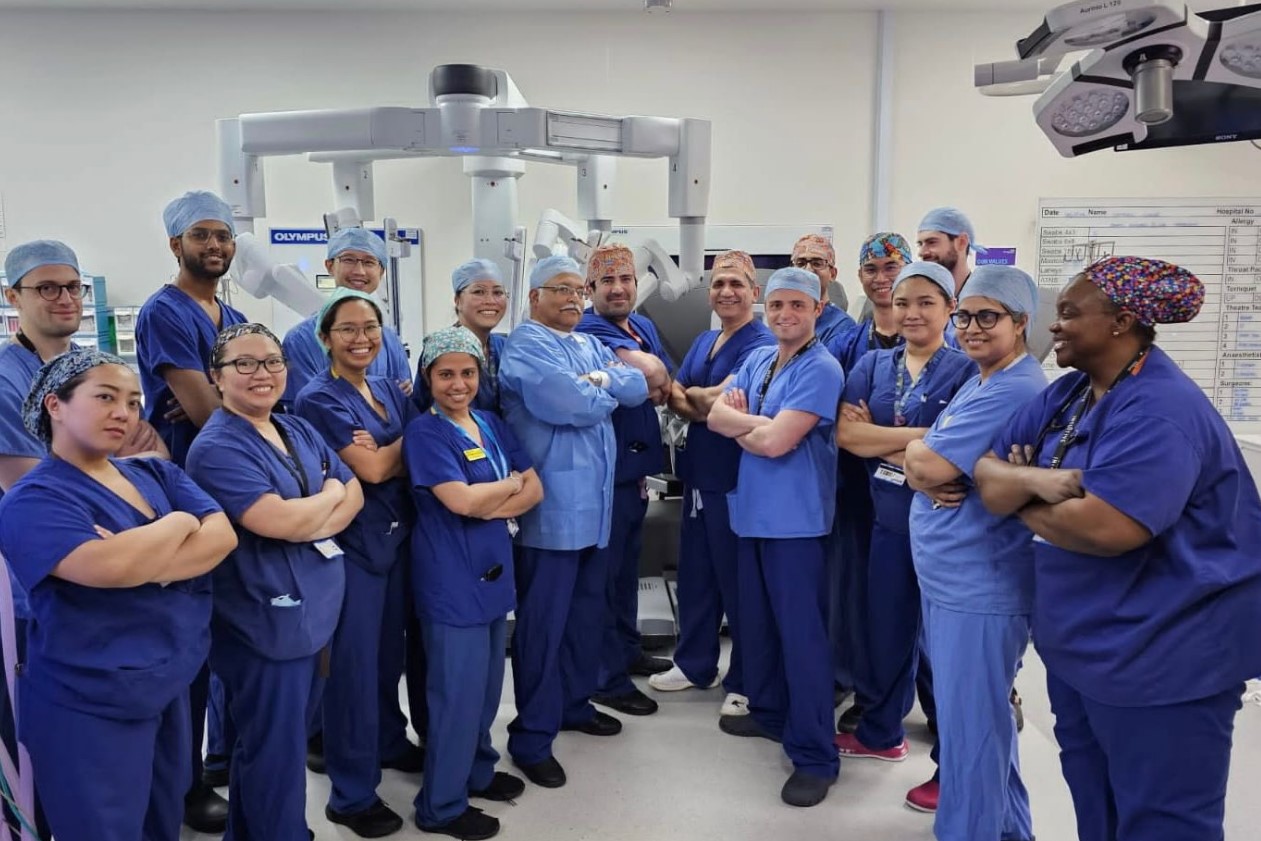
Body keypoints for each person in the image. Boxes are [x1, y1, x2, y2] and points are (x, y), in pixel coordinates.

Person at [977, 256, 1261, 841]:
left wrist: (1021, 497)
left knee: (1163, 823)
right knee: (1097, 806)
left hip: (1165, 660)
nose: (1054, 325)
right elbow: (986, 474)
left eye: (1069, 313)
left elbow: (1109, 529)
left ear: (1121, 322)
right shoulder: (1071, 394)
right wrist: (1040, 484)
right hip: (1084, 649)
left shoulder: (1161, 410)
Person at [0, 349, 237, 841]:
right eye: (105, 397)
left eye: (132, 402)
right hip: (90, 703)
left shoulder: (155, 473)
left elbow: (223, 537)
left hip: (167, 681)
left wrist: (143, 560)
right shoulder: (34, 498)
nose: (123, 413)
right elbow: (107, 567)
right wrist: (178, 522)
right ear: (54, 405)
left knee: (161, 822)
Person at [0, 241, 167, 840]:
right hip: (38, 587)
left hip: (120, 584)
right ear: (13, 296)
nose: (65, 298)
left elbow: (156, 460)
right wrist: (124, 477)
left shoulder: (97, 366)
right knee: (55, 759)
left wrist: (116, 472)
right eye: (47, 287)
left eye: (73, 287)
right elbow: (34, 487)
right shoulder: (5, 377)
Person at [186, 323, 364, 841]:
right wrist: (329, 497)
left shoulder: (295, 427)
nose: (261, 373)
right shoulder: (216, 447)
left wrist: (318, 511)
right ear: (217, 376)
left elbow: (355, 493)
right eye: (244, 363)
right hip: (262, 617)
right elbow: (276, 521)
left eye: (272, 361)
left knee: (279, 743)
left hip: (313, 607)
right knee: (273, 749)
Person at [900, 265, 1045, 839]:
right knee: (976, 725)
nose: (971, 328)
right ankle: (1007, 830)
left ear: (1021, 321)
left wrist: (923, 463)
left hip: (980, 585)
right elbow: (921, 459)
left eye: (988, 316)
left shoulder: (1016, 387)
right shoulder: (982, 378)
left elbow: (928, 463)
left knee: (972, 731)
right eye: (964, 316)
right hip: (953, 581)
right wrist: (922, 462)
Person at [498, 255, 648, 789]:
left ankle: (574, 704)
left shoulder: (587, 343)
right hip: (553, 514)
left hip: (595, 508)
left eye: (576, 290)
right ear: (534, 297)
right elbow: (568, 404)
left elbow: (637, 387)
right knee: (543, 626)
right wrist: (602, 392)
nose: (571, 298)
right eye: (558, 289)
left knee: (585, 616)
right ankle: (532, 736)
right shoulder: (526, 345)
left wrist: (601, 378)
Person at [708, 267, 844, 808]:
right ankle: (769, 712)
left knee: (802, 639)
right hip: (754, 515)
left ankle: (815, 755)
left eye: (798, 305)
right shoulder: (760, 358)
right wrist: (756, 427)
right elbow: (715, 416)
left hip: (796, 524)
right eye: (778, 304)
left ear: (818, 309)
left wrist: (748, 427)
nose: (785, 314)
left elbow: (775, 444)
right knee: (758, 625)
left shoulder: (822, 367)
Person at [834, 262, 973, 786]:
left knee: (944, 643)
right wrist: (923, 443)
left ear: (950, 308)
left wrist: (882, 437)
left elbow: (959, 447)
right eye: (902, 302)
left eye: (925, 303)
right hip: (889, 519)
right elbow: (848, 437)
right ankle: (880, 731)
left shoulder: (966, 371)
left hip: (945, 521)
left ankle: (953, 751)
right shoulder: (872, 364)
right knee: (886, 628)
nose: (911, 313)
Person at [404, 326, 543, 840]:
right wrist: (507, 487)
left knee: (485, 690)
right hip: (450, 577)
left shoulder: (489, 422)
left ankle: (478, 771)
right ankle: (440, 805)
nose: (458, 384)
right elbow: (459, 501)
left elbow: (536, 488)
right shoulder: (425, 433)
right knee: (455, 696)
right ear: (428, 378)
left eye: (467, 373)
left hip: (492, 569)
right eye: (445, 374)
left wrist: (492, 500)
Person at [293, 289, 423, 838]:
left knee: (388, 657)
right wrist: (402, 446)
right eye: (347, 329)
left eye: (370, 327)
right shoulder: (317, 399)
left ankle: (388, 741)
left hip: (395, 539)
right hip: (354, 547)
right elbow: (370, 471)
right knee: (352, 670)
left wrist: (392, 447)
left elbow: (421, 442)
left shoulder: (389, 388)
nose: (361, 338)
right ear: (325, 338)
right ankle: (351, 793)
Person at [136, 189, 246, 832]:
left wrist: (229, 398)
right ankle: (183, 787)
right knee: (191, 650)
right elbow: (208, 414)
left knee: (226, 636)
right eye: (202, 235)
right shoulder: (164, 312)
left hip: (231, 488)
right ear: (176, 244)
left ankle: (217, 757)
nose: (215, 246)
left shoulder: (231, 313)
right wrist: (229, 400)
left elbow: (250, 396)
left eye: (223, 235)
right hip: (189, 488)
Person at [653, 250, 774, 716]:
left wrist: (699, 400)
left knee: (738, 583)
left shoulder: (761, 344)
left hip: (734, 479)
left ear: (754, 292)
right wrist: (701, 401)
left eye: (736, 284)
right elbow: (678, 396)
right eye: (719, 283)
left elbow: (717, 403)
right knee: (696, 577)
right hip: (699, 477)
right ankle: (695, 663)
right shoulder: (705, 340)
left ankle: (745, 678)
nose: (726, 291)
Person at [576, 243, 674, 717]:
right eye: (607, 282)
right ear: (589, 289)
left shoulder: (643, 326)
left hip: (635, 472)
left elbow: (664, 381)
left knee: (627, 575)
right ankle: (606, 678)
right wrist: (653, 378)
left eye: (626, 280)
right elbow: (652, 372)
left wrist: (655, 380)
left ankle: (628, 650)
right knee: (605, 577)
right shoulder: (589, 330)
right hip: (605, 475)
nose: (618, 289)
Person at [824, 232, 912, 736]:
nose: (881, 278)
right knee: (855, 592)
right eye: (872, 269)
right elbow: (840, 421)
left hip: (915, 494)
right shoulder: (849, 344)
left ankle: (902, 698)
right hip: (855, 489)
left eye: (891, 267)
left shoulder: (937, 345)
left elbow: (941, 433)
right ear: (858, 276)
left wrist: (872, 433)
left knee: (904, 605)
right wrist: (869, 434)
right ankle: (857, 683)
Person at [282, 228, 412, 409]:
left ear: (381, 271)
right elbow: (311, 409)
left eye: (369, 262)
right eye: (348, 260)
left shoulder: (390, 340)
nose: (359, 271)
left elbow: (405, 405)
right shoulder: (300, 340)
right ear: (330, 266)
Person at [413, 259, 508, 414]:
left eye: (498, 292)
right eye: (478, 292)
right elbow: (419, 408)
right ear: (458, 300)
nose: (490, 301)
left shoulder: (505, 347)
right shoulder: (441, 348)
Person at [790, 234, 856, 347]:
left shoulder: (843, 329)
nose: (808, 270)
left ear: (832, 274)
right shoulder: (784, 319)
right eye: (800, 263)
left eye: (817, 263)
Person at [915, 207, 986, 298]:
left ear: (961, 242)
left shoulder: (984, 298)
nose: (921, 252)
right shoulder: (923, 297)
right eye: (920, 244)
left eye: (932, 242)